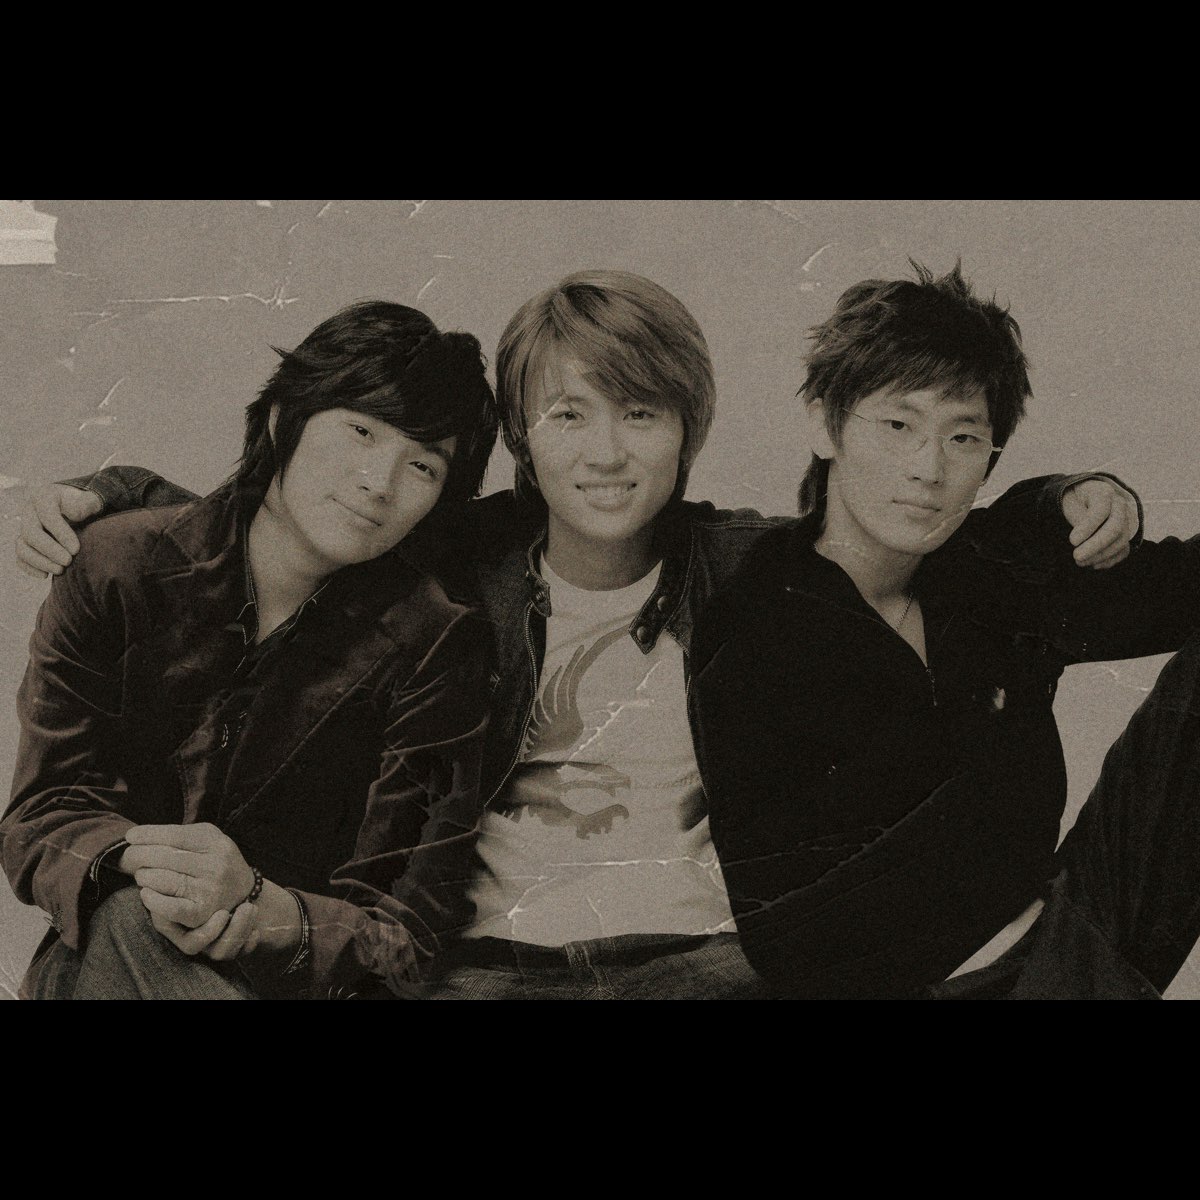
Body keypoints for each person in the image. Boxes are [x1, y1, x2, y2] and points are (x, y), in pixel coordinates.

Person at [13, 270, 1141, 1000]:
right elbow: (295, 517)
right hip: (476, 972)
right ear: (519, 437)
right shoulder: (459, 559)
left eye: (641, 415)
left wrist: (1068, 498)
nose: (605, 454)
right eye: (568, 416)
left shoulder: (757, 570)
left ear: (688, 431)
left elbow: (915, 519)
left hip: (706, 970)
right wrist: (109, 491)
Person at [690, 261, 1200, 999]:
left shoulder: (984, 575)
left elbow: (1181, 590)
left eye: (963, 438)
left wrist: (1069, 499)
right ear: (825, 423)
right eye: (898, 425)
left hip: (1071, 929)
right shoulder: (758, 627)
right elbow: (793, 940)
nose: (928, 469)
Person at [2, 300, 498, 999]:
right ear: (282, 418)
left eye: (422, 467)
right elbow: (41, 811)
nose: (378, 483)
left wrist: (268, 911)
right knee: (133, 919)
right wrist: (161, 869)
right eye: (361, 431)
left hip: (298, 985)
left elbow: (408, 932)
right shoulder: (117, 567)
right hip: (118, 951)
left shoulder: (434, 642)